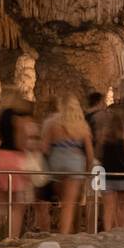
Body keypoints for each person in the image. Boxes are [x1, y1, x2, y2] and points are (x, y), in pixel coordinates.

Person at [0, 108, 43, 240]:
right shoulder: (20, 122)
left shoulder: (1, 120)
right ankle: (12, 238)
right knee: (16, 207)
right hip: (14, 161)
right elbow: (22, 143)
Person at [42, 94, 95, 234]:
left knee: (60, 201)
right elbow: (90, 153)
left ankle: (60, 227)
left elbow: (45, 148)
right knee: (69, 204)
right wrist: (87, 171)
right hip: (75, 164)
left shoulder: (53, 123)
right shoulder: (82, 125)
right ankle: (64, 235)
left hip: (57, 162)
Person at [97, 100, 124, 230]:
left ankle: (108, 232)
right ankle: (123, 233)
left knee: (108, 209)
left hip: (107, 176)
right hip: (123, 176)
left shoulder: (104, 137)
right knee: (123, 208)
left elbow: (99, 155)